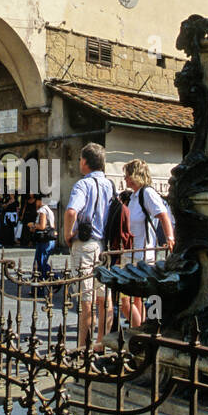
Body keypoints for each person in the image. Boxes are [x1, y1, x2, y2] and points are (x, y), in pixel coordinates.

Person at [64, 142, 115, 351]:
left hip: (85, 245)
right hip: (103, 246)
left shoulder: (82, 185)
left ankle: (83, 347)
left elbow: (71, 212)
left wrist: (68, 235)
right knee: (104, 298)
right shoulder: (109, 185)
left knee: (87, 301)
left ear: (85, 161)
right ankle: (102, 343)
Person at [123, 160, 176, 327]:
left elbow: (163, 215)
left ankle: (141, 331)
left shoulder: (147, 193)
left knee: (126, 297)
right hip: (131, 254)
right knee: (135, 297)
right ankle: (144, 328)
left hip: (143, 255)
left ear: (134, 175)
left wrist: (170, 237)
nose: (124, 178)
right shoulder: (133, 196)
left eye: (127, 174)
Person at [29, 196, 57, 280]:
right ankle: (52, 280)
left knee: (40, 264)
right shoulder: (49, 210)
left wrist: (32, 225)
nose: (36, 203)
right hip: (49, 240)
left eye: (37, 201)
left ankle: (54, 279)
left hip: (44, 240)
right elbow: (52, 226)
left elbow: (42, 226)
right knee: (41, 263)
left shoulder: (43, 210)